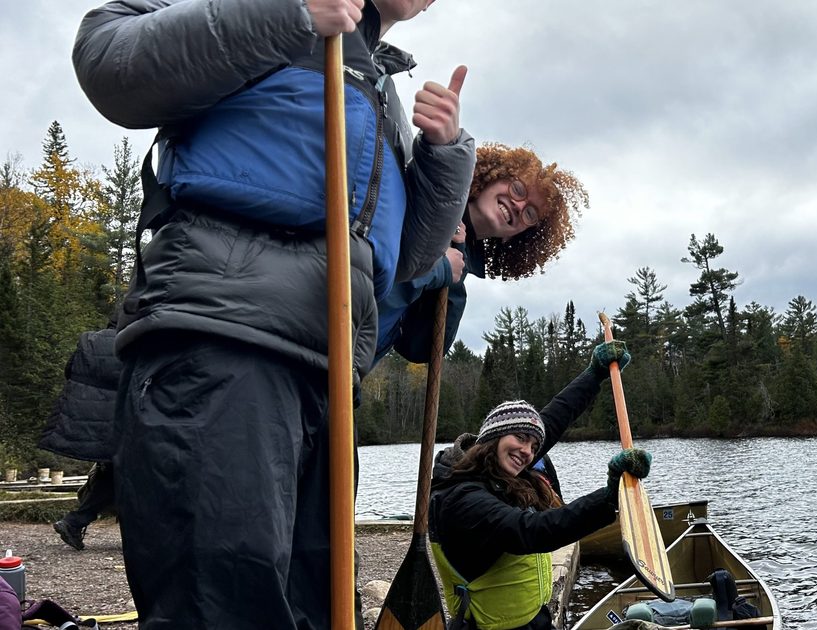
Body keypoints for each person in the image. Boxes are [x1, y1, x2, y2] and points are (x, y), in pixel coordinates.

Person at [71, 0, 474, 627]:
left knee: (313, 608)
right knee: (223, 607)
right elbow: (109, 63)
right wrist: (292, 12)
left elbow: (401, 260)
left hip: (328, 375)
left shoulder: (379, 86)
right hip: (226, 338)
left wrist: (445, 156)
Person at [429, 341, 651, 630]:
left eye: (534, 446)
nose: (528, 452)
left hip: (531, 621)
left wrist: (595, 374)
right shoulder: (461, 498)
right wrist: (609, 497)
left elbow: (555, 418)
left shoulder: (496, 469)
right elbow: (531, 531)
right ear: (493, 438)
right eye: (521, 438)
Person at [375, 142, 589, 366]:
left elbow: (418, 347)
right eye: (518, 189)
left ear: (517, 236)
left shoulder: (461, 263)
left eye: (530, 213)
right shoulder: (425, 196)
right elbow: (370, 279)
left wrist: (452, 274)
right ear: (491, 177)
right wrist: (440, 268)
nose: (519, 206)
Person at [38, 327, 121, 551]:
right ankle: (75, 522)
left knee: (111, 475)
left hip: (93, 425)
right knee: (126, 476)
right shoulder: (137, 340)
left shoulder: (91, 341)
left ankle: (74, 523)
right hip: (125, 423)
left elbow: (70, 371)